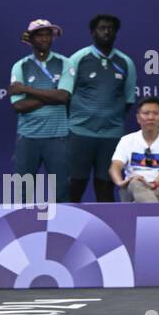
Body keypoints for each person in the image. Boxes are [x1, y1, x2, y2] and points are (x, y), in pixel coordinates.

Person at [59, 15, 137, 203]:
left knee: (106, 188)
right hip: (80, 133)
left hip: (111, 135)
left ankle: (106, 232)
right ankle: (66, 228)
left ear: (116, 33)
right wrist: (82, 118)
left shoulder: (125, 62)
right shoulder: (78, 59)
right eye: (102, 28)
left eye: (111, 28)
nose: (107, 31)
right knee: (75, 186)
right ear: (93, 32)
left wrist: (108, 118)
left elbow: (128, 101)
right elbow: (65, 96)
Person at [9, 19, 70, 205]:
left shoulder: (65, 63)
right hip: (28, 137)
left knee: (61, 191)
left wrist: (27, 90)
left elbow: (63, 97)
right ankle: (22, 232)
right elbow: (18, 106)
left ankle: (63, 232)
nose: (45, 38)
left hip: (57, 136)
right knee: (22, 193)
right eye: (40, 34)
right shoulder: (20, 66)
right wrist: (51, 94)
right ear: (31, 38)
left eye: (48, 34)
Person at [110, 98, 159, 203]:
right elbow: (115, 166)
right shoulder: (127, 140)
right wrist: (120, 182)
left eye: (155, 113)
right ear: (138, 118)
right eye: (146, 113)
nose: (151, 117)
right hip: (131, 190)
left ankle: (143, 210)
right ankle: (150, 213)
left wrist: (154, 184)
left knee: (139, 195)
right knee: (135, 183)